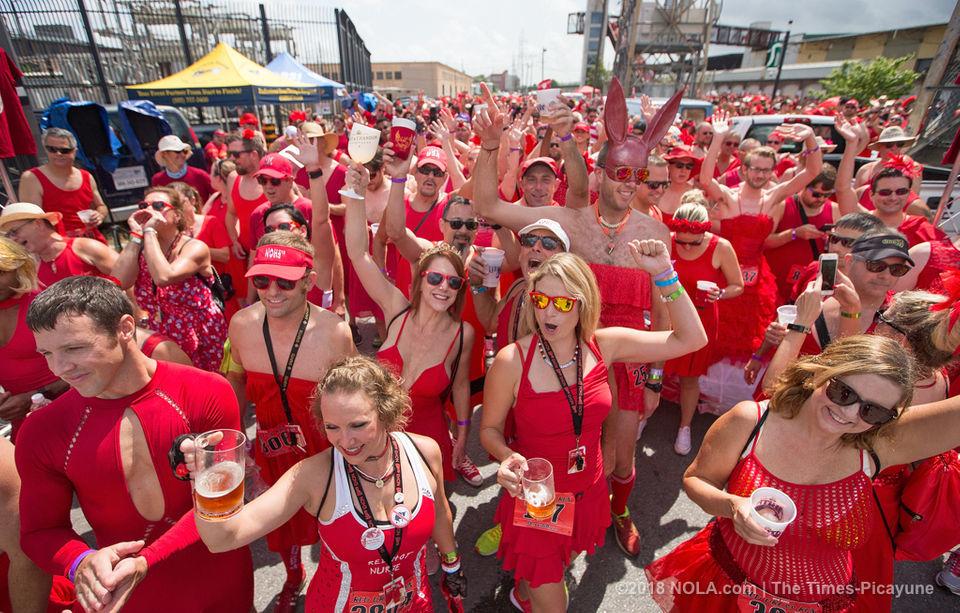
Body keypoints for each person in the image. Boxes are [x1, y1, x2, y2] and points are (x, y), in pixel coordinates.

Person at [473, 79, 681, 557]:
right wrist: (488, 147)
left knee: (622, 455)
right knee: (566, 453)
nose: (628, 184)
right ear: (601, 172)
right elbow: (487, 207)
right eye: (619, 173)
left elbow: (664, 309)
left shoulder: (655, 232)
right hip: (568, 352)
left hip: (625, 357)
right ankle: (548, 533)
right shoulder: (570, 220)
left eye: (638, 176)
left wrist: (654, 379)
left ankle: (620, 511)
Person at [646, 333, 960, 611]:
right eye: (843, 392)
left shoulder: (875, 446)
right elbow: (697, 479)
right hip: (728, 592)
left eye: (872, 410)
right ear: (820, 372)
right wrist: (733, 507)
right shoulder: (751, 421)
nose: (848, 413)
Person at [482, 248, 707, 611]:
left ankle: (523, 590)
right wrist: (507, 457)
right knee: (553, 600)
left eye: (562, 303)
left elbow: (691, 340)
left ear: (583, 303)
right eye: (540, 299)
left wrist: (665, 273)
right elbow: (490, 429)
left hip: (589, 489)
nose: (549, 312)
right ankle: (532, 592)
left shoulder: (604, 344)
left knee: (563, 559)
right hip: (538, 498)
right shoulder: (512, 361)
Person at [17, 276, 253, 612]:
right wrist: (80, 561)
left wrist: (146, 561)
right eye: (47, 353)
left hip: (222, 582)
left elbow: (225, 505)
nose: (59, 368)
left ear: (125, 328)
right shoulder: (42, 430)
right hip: (129, 596)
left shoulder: (206, 391)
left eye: (74, 348)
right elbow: (39, 531)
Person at [183, 356, 466, 612]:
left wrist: (452, 563)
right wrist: (205, 479)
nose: (345, 441)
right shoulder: (314, 475)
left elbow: (440, 512)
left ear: (385, 412)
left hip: (413, 604)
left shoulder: (425, 452)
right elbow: (222, 539)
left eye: (357, 425)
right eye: (332, 427)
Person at [228, 230, 354, 611]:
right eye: (262, 280)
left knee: (336, 518)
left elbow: (352, 397)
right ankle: (294, 574)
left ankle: (339, 577)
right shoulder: (241, 324)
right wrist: (232, 437)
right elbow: (235, 378)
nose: (272, 291)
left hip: (322, 443)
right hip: (269, 440)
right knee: (282, 526)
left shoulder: (335, 332)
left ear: (308, 282)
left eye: (285, 281)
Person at [345, 175, 475, 491]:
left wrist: (462, 436)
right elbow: (358, 254)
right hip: (378, 437)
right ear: (420, 280)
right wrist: (355, 194)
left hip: (428, 442)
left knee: (429, 514)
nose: (443, 288)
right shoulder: (396, 310)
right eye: (435, 279)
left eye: (453, 282)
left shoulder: (462, 334)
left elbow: (459, 387)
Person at [699, 110, 822, 366]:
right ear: (744, 169)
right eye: (755, 169)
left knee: (751, 336)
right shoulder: (730, 196)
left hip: (756, 279)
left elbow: (812, 171)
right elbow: (704, 179)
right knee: (716, 332)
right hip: (724, 273)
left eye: (766, 171)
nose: (760, 175)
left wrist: (810, 139)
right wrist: (718, 139)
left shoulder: (773, 197)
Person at [112, 186, 227, 372]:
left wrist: (149, 232)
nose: (149, 210)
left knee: (209, 386)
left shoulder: (194, 247)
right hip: (162, 334)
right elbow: (118, 282)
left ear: (177, 216)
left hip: (202, 335)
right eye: (144, 205)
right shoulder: (142, 248)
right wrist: (136, 236)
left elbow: (164, 277)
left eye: (158, 205)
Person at [662, 196, 743, 455]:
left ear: (705, 233)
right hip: (665, 317)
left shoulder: (721, 247)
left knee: (689, 378)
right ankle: (642, 417)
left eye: (693, 242)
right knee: (653, 371)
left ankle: (684, 427)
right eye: (680, 241)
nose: (684, 247)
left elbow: (738, 286)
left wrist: (720, 293)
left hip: (701, 320)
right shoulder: (666, 241)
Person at [0, 237, 66, 440]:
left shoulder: (46, 305)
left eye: (1, 272)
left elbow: (95, 364)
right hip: (25, 426)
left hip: (72, 410)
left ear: (19, 266)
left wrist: (36, 394)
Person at [836, 117, 937, 246]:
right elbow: (844, 191)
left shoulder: (919, 226)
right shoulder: (865, 173)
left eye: (901, 191)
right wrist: (852, 143)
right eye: (885, 192)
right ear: (872, 193)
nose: (893, 197)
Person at [763, 164, 840, 304]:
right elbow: (764, 241)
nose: (821, 199)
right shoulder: (783, 205)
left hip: (810, 286)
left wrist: (833, 239)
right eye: (816, 194)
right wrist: (794, 234)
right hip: (777, 285)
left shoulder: (834, 209)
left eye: (827, 195)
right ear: (804, 186)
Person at [17, 128, 108, 241]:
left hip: (92, 239)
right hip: (57, 245)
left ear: (74, 151)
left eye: (64, 150)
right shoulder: (32, 178)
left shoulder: (86, 176)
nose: (58, 154)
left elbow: (101, 206)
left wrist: (99, 215)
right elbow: (31, 220)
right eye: (52, 149)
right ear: (45, 150)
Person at [0, 202, 116, 288]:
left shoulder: (85, 248)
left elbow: (128, 279)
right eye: (8, 236)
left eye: (14, 231)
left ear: (38, 224)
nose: (12, 239)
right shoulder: (37, 272)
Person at [225, 130, 269, 262]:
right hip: (244, 254)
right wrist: (234, 240)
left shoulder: (273, 179)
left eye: (236, 154)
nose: (231, 159)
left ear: (254, 155)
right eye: (229, 154)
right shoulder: (233, 178)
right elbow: (231, 214)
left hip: (272, 255)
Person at [150, 135, 212, 202]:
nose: (182, 155)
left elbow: (221, 196)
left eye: (184, 151)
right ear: (165, 154)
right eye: (177, 151)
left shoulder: (200, 175)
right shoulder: (157, 180)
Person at [659, 146, 700, 222]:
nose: (683, 170)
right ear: (668, 166)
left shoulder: (695, 196)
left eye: (688, 166)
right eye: (679, 165)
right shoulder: (656, 189)